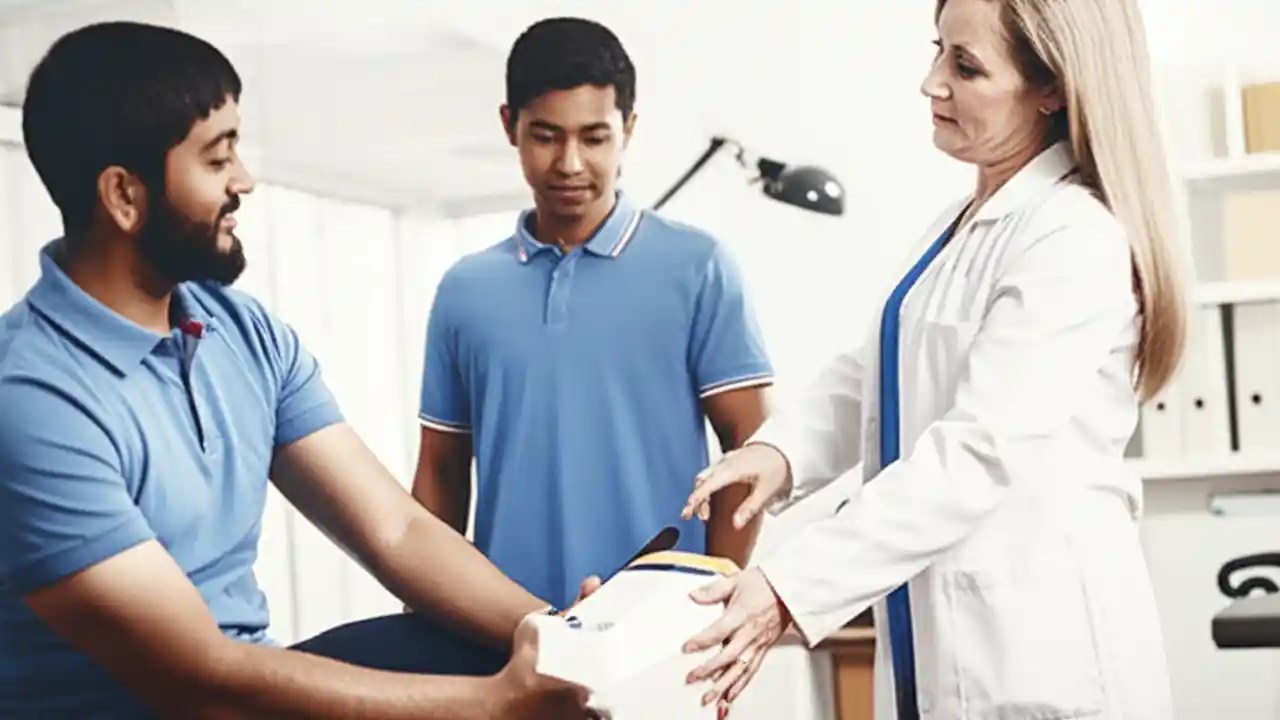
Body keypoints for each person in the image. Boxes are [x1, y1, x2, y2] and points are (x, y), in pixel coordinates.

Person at [0, 21, 593, 719]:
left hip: (241, 678)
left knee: (507, 652)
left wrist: (564, 639)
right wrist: (492, 705)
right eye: (218, 161)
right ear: (124, 196)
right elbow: (200, 679)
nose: (245, 181)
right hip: (172, 701)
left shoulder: (241, 332)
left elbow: (395, 531)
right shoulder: (32, 400)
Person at [680, 0, 1188, 718]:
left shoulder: (1073, 239)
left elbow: (975, 451)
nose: (930, 83)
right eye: (938, 51)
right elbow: (876, 372)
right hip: (952, 646)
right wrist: (779, 454)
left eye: (966, 66)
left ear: (1052, 89)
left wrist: (789, 586)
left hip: (1046, 664)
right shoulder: (962, 229)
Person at [413, 17, 774, 611]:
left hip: (657, 627)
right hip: (499, 632)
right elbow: (442, 473)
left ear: (628, 129)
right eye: (547, 135)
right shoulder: (464, 290)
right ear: (511, 127)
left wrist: (714, 594)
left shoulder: (698, 267)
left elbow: (748, 446)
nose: (570, 163)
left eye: (595, 137)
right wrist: (428, 615)